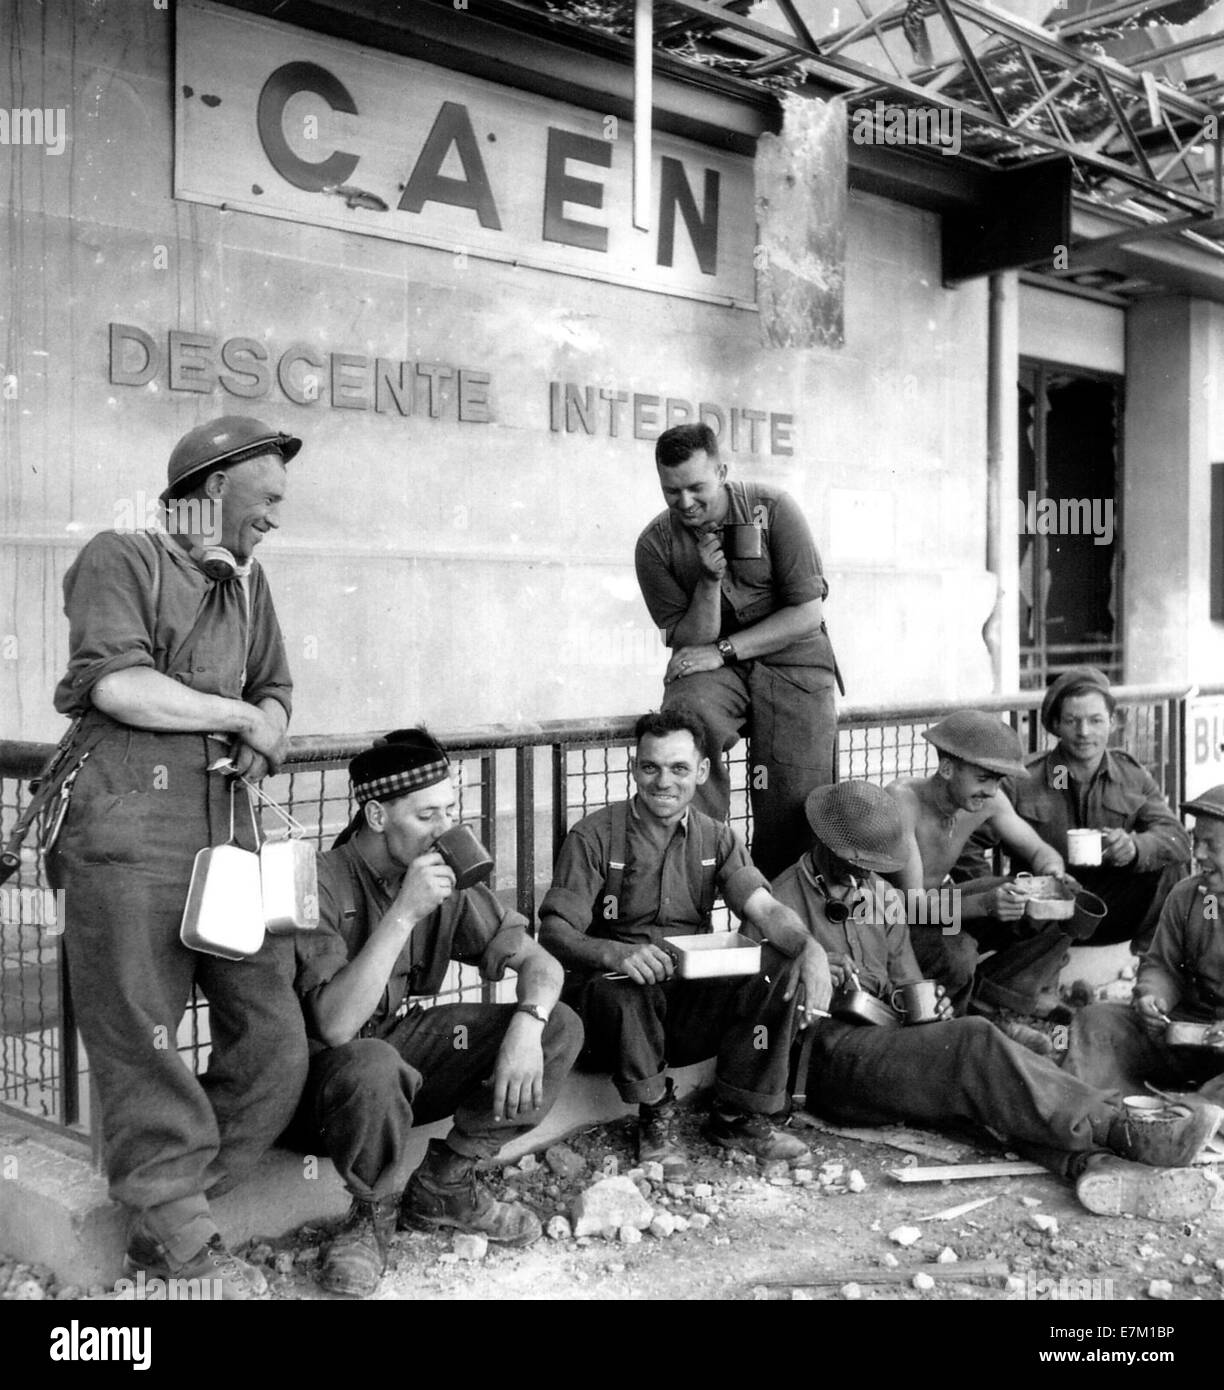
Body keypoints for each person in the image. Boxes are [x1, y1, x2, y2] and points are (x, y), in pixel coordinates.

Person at [46, 415, 309, 1299]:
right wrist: (236, 716)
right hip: (127, 839)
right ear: (208, 491)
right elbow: (119, 685)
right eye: (264, 501)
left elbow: (274, 689)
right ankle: (189, 1244)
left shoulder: (250, 582)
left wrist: (266, 728)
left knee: (274, 1038)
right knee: (142, 1040)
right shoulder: (120, 556)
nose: (274, 519)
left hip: (226, 838)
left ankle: (171, 1209)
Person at [773, 781, 1224, 1221]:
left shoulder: (880, 895)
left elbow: (907, 985)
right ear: (825, 843)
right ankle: (1119, 1128)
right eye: (854, 863)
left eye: (871, 864)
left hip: (885, 1047)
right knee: (976, 1044)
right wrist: (811, 973)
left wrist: (925, 1008)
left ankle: (1097, 1166)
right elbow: (763, 1012)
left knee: (988, 1092)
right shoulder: (782, 903)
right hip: (827, 1060)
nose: (862, 876)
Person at [289, 730, 584, 1298]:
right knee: (372, 1060)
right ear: (376, 814)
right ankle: (367, 1215)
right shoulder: (322, 880)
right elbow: (335, 1026)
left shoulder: (439, 872)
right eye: (428, 814)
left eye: (450, 810)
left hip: (397, 1057)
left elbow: (541, 964)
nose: (445, 828)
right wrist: (403, 913)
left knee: (560, 1024)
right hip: (324, 1084)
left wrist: (528, 1022)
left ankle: (445, 1182)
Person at [538, 707, 833, 1176]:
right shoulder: (595, 835)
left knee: (775, 966)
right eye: (650, 767)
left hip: (683, 1003)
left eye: (678, 768)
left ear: (701, 772)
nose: (663, 781)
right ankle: (654, 1115)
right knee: (620, 989)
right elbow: (554, 932)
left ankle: (737, 1115)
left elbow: (765, 909)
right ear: (635, 768)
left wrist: (809, 948)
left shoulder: (716, 838)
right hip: (611, 1008)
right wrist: (617, 952)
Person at [633, 422, 840, 880]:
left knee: (795, 804)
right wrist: (708, 581)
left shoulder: (775, 509)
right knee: (687, 719)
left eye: (696, 488)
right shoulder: (654, 545)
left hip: (794, 663)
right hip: (718, 671)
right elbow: (688, 641)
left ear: (722, 471)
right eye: (672, 492)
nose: (685, 503)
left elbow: (807, 614)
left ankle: (781, 923)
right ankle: (695, 882)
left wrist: (724, 649)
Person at [886, 710, 1075, 1029]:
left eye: (998, 780)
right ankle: (953, 1032)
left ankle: (994, 1001)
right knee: (957, 958)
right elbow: (912, 907)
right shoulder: (904, 800)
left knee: (1070, 901)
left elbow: (1039, 850)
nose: (991, 790)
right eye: (983, 778)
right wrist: (985, 904)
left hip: (943, 906)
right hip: (896, 917)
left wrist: (1052, 871)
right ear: (947, 768)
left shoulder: (990, 799)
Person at [1002, 667, 1190, 953]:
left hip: (1109, 906)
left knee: (1172, 865)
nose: (1084, 732)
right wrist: (1002, 896)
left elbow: (1176, 837)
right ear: (1056, 725)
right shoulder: (1023, 780)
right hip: (1045, 911)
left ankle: (1155, 970)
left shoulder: (1131, 776)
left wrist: (1134, 848)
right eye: (1072, 721)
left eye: (1095, 720)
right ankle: (1041, 978)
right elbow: (970, 842)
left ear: (1112, 723)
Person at [1063, 784, 1224, 1102]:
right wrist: (1154, 997)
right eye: (1196, 841)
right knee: (1096, 1021)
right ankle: (1084, 1112)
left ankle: (1198, 1109)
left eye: (1211, 845)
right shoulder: (1185, 896)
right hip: (1183, 1035)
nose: (1199, 854)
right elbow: (1162, 965)